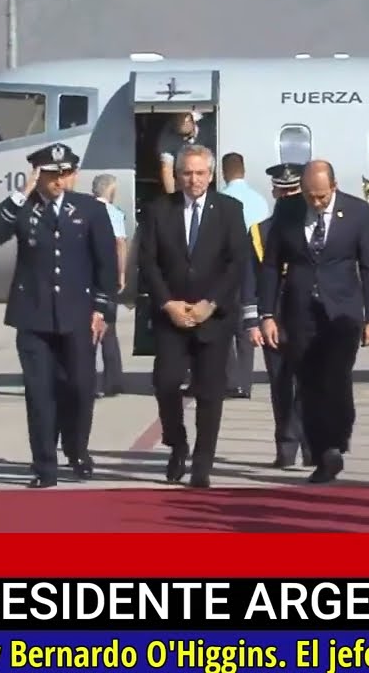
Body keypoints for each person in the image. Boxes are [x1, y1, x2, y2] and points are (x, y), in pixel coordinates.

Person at [0, 142, 116, 488]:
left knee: (80, 388)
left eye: (65, 174)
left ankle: (77, 449)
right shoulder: (24, 208)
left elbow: (106, 264)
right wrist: (21, 193)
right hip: (33, 316)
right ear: (38, 175)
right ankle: (44, 465)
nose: (59, 181)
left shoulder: (89, 209)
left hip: (77, 315)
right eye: (51, 175)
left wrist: (101, 309)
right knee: (39, 393)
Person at [259, 160, 369, 483]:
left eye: (322, 197)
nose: (316, 203)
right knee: (309, 384)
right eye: (311, 196)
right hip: (300, 311)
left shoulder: (356, 212)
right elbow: (271, 265)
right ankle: (321, 453)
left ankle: (337, 442)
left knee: (336, 378)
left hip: (342, 312)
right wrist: (267, 314)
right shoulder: (287, 211)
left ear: (334, 186)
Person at [139, 144, 248, 488]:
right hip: (172, 315)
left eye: (200, 173)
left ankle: (202, 463)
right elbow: (149, 262)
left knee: (210, 392)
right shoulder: (159, 210)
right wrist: (168, 303)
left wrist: (211, 303)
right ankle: (177, 442)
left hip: (213, 317)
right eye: (187, 172)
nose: (193, 179)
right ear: (177, 174)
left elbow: (237, 262)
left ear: (211, 175)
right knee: (166, 382)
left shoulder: (229, 210)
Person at [241, 163, 309, 468]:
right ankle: (286, 445)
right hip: (275, 320)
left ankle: (312, 445)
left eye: (293, 191)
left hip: (310, 318)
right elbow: (250, 279)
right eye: (283, 192)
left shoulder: (314, 226)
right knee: (281, 384)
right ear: (274, 194)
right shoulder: (259, 232)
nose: (288, 197)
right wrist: (253, 321)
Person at [218, 152, 270, 399]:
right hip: (253, 270)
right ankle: (245, 383)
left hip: (226, 270)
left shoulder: (220, 199)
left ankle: (229, 380)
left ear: (223, 172)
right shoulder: (260, 200)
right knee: (248, 326)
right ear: (244, 170)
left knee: (225, 328)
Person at [90, 173, 125, 398]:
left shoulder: (84, 210)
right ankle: (113, 382)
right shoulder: (114, 213)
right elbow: (120, 243)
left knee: (87, 331)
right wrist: (121, 274)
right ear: (110, 190)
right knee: (109, 330)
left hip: (86, 279)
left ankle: (88, 381)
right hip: (107, 278)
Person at [157, 113, 214, 195]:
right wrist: (173, 198)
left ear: (193, 121)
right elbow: (166, 170)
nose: (185, 139)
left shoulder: (207, 126)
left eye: (188, 136)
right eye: (180, 136)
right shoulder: (166, 137)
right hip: (184, 173)